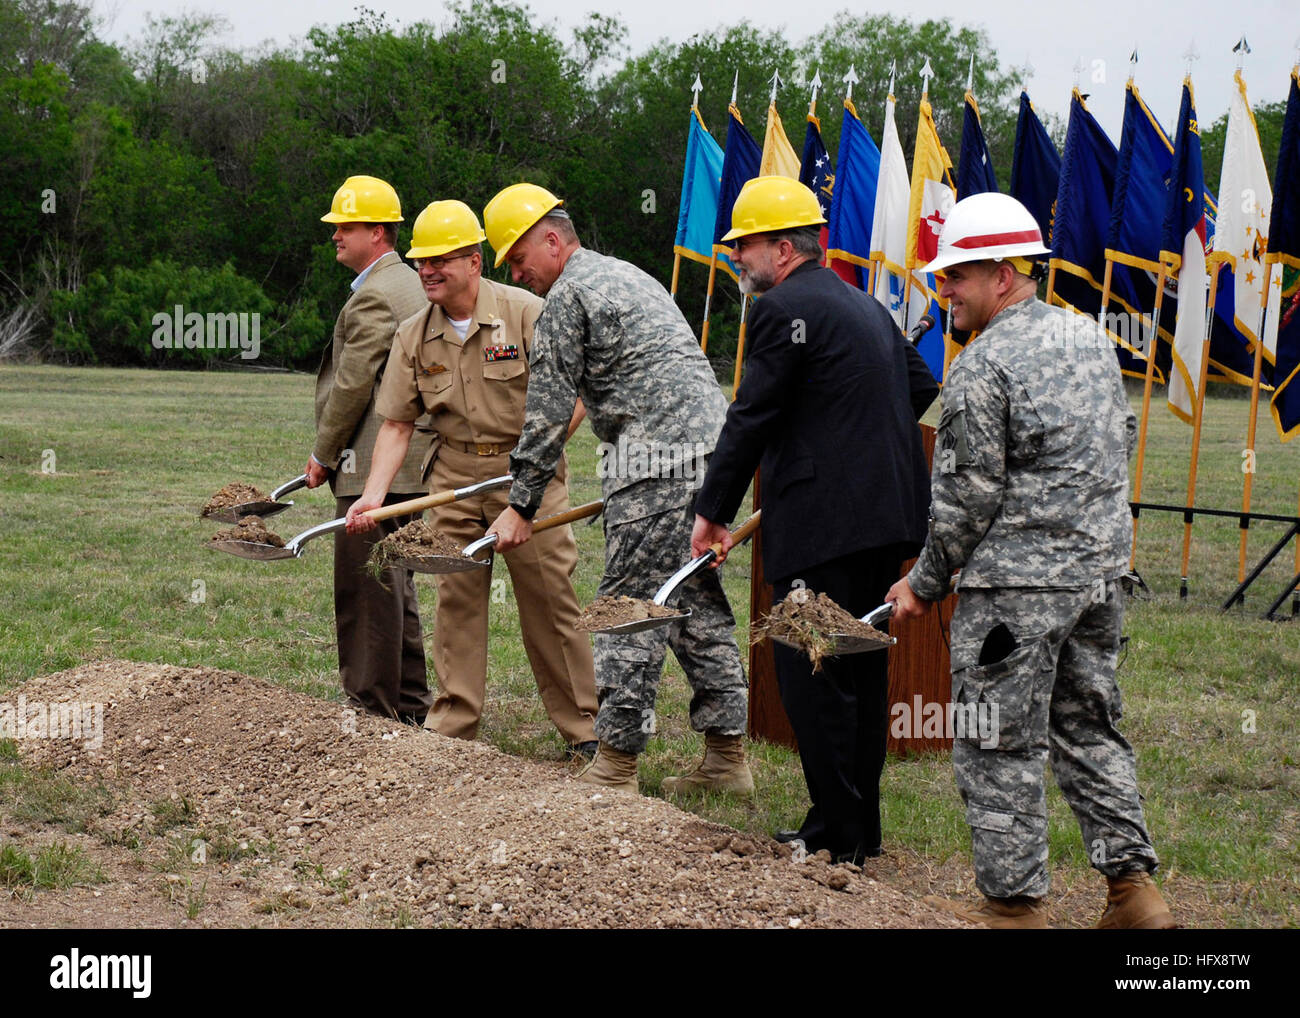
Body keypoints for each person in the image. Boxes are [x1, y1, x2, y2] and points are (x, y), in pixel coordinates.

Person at [885, 191, 1175, 929]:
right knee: (1091, 730)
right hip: (1099, 579)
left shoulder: (982, 366)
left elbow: (965, 498)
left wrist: (923, 581)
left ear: (1007, 272)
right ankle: (1134, 896)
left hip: (1013, 593)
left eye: (956, 274)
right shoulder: (1090, 341)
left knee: (995, 741)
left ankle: (1013, 914)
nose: (941, 288)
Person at [691, 176, 938, 866]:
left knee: (812, 678)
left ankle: (843, 836)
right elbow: (920, 388)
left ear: (779, 246)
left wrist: (713, 512)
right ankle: (850, 827)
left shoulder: (781, 309)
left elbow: (752, 415)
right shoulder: (864, 305)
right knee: (856, 674)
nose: (740, 259)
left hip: (823, 524)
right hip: (886, 519)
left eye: (745, 246)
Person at [480, 182, 752, 796]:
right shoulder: (629, 276)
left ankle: (616, 764)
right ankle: (727, 760)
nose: (518, 274)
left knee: (626, 608)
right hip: (713, 457)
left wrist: (520, 505)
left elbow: (547, 413)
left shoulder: (568, 297)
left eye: (519, 258)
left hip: (654, 466)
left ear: (553, 240)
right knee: (694, 603)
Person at [345, 200, 599, 756]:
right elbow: (396, 424)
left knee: (550, 601)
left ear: (475, 261)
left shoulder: (528, 311)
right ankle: (454, 727)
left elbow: (577, 393)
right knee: (456, 601)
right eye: (422, 262)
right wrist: (371, 496)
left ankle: (585, 732)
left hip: (527, 475)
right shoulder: (413, 334)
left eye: (442, 259)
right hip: (454, 475)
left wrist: (538, 460)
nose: (429, 271)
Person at [308, 175, 433, 724]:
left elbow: (352, 386)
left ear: (378, 232)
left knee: (365, 592)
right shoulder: (408, 283)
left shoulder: (377, 295)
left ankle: (369, 709)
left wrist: (324, 454)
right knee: (394, 588)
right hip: (411, 469)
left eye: (347, 225)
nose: (336, 234)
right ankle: (408, 706)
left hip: (372, 470)